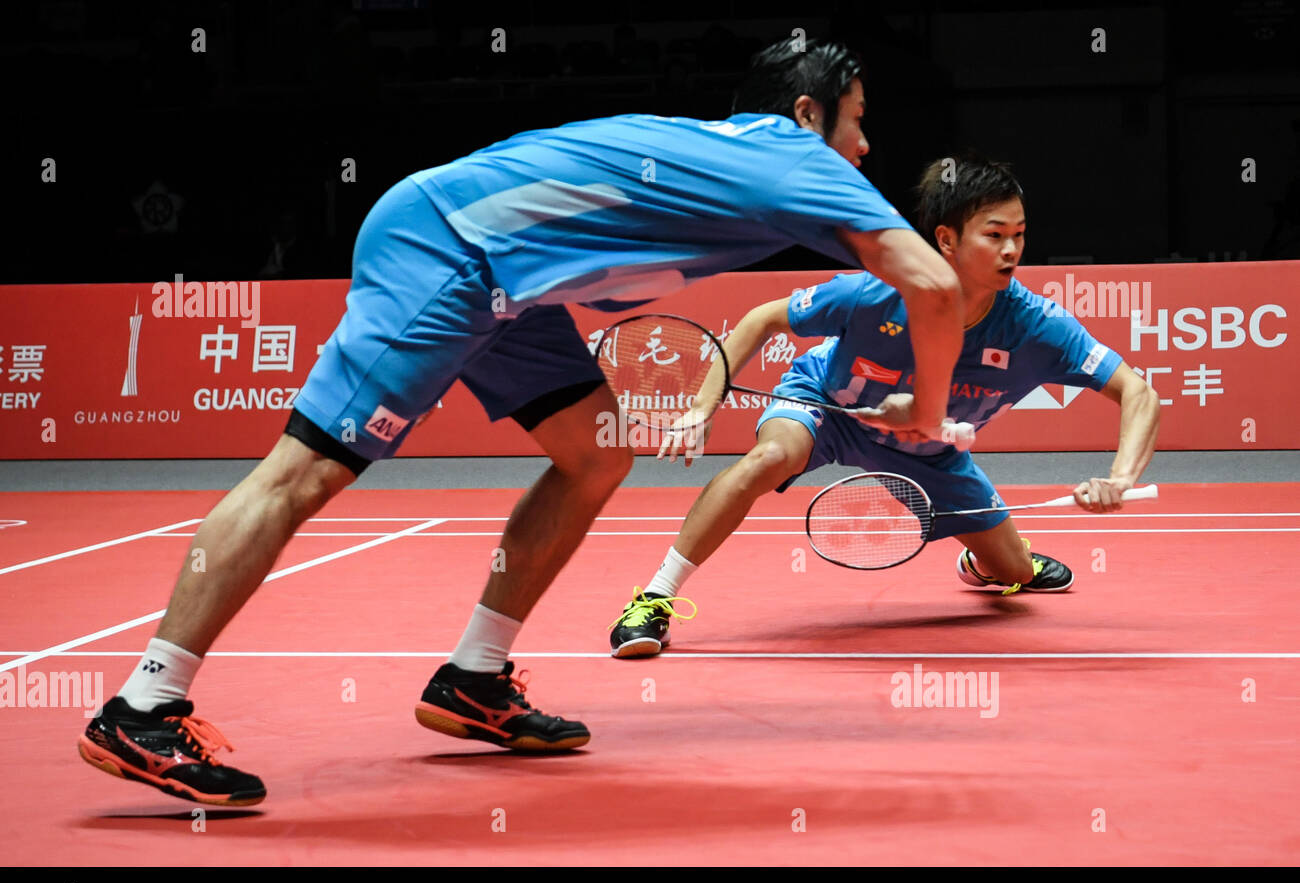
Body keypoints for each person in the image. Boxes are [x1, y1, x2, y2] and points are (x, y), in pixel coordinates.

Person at [78, 39, 966, 806]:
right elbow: (932, 284)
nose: (865, 143)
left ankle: (473, 678)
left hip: (516, 281)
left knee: (594, 454)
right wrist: (924, 415)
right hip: (451, 245)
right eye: (856, 120)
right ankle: (142, 709)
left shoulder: (730, 155)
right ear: (807, 114)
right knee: (304, 470)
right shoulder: (792, 155)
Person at [608, 155, 1161, 659]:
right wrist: (702, 405)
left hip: (929, 449)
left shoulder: (1037, 327)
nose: (1012, 250)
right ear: (946, 239)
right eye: (994, 236)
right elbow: (762, 319)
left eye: (1018, 234)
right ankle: (654, 600)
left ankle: (985, 560)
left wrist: (1119, 477)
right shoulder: (875, 294)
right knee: (770, 457)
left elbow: (1138, 392)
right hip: (828, 407)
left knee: (1014, 573)